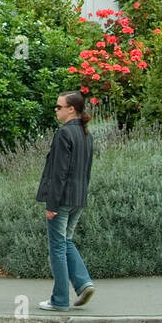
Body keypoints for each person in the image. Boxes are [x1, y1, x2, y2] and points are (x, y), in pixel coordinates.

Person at [35, 91, 96, 311]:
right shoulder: (86, 134)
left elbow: (59, 172)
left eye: (59, 107)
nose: (56, 110)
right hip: (78, 197)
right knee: (66, 241)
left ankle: (59, 299)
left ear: (71, 109)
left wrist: (51, 204)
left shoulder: (64, 133)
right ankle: (83, 283)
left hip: (61, 199)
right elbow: (85, 170)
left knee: (57, 248)